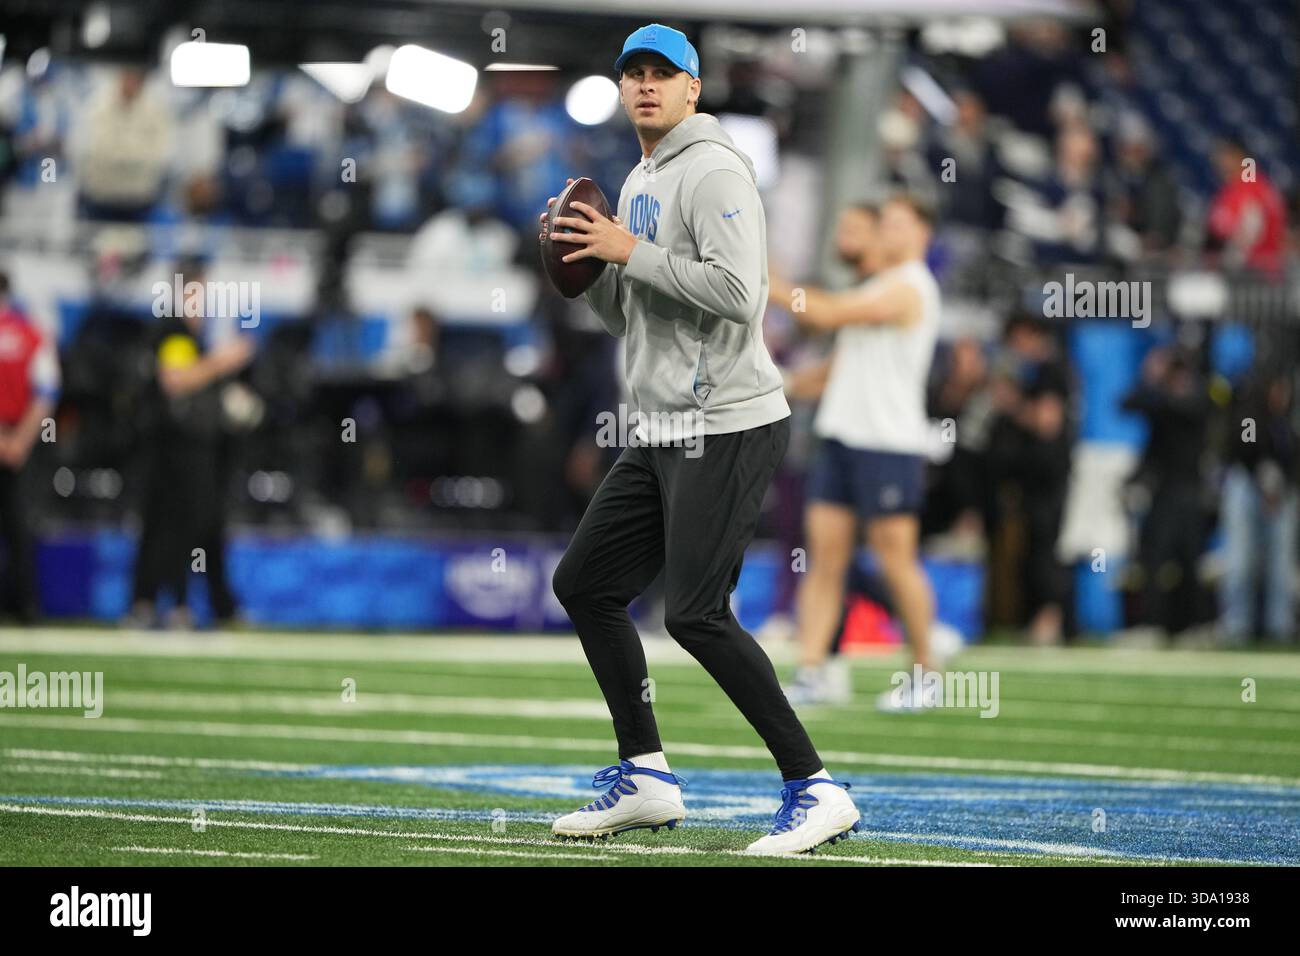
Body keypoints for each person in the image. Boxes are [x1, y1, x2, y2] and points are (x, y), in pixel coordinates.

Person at [540, 23, 860, 855]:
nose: (645, 85)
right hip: (664, 424)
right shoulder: (641, 173)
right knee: (586, 583)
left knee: (697, 614)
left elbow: (736, 294)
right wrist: (589, 264)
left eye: (662, 73)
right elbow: (631, 312)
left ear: (693, 89)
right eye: (632, 74)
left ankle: (815, 787)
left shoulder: (714, 167)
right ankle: (645, 776)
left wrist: (627, 248)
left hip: (728, 419)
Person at [769, 195, 947, 711]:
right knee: (825, 562)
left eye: (896, 223)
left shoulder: (911, 288)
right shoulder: (878, 285)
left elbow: (824, 313)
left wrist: (764, 282)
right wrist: (782, 383)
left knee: (896, 561)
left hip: (889, 443)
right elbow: (839, 367)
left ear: (920, 234)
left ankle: (926, 674)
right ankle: (815, 670)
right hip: (843, 437)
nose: (885, 231)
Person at [128, 259, 252, 629]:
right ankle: (159, 603)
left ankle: (180, 603)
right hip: (174, 449)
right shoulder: (175, 331)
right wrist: (223, 362)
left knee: (194, 525)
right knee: (174, 525)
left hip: (196, 447)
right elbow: (175, 381)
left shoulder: (194, 335)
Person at [1219, 367, 1297, 644]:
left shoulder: (1285, 422)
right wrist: (1262, 478)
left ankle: (1279, 626)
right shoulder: (1249, 415)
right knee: (1240, 559)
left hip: (1280, 493)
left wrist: (1278, 484)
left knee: (1281, 563)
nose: (1282, 396)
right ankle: (1237, 625)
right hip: (1247, 487)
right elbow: (1243, 448)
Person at [0, 271, 60, 622]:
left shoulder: (32, 332)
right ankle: (26, 606)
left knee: (20, 525)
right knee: (22, 525)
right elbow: (47, 392)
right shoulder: (33, 332)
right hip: (24, 439)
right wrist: (19, 441)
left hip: (14, 436)